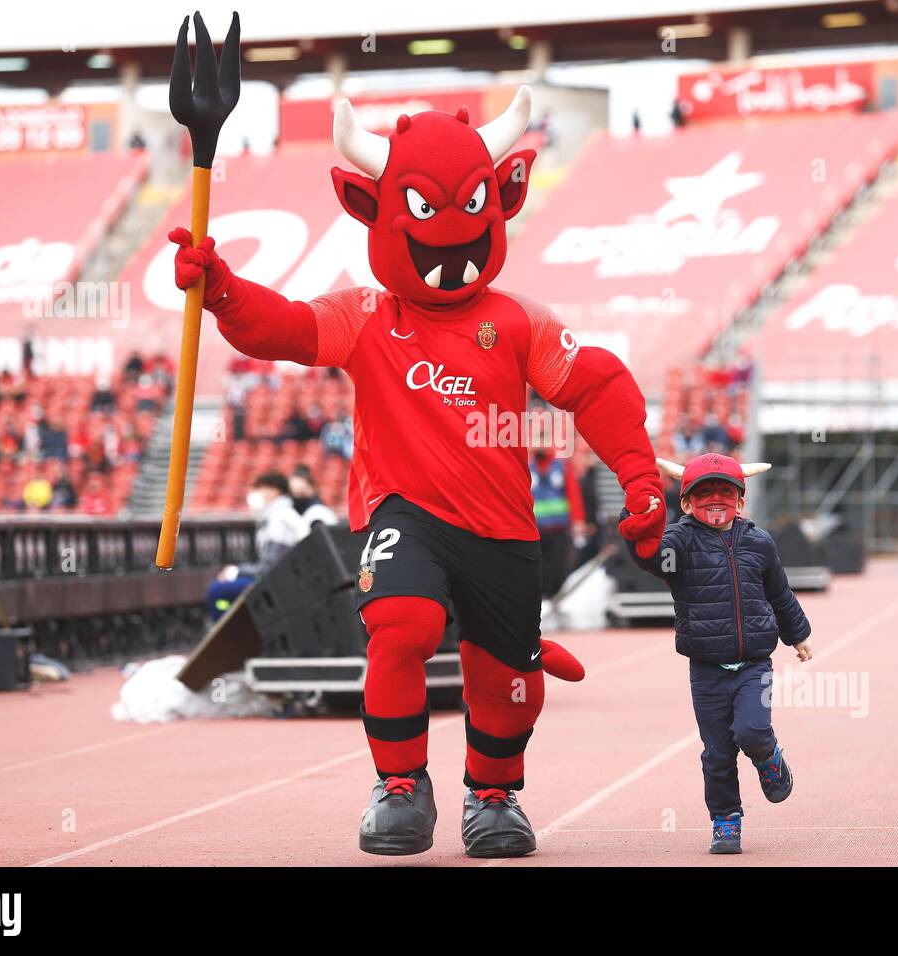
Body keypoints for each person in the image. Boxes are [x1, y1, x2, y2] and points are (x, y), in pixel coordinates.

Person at [169, 87, 664, 858]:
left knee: (509, 683)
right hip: (402, 514)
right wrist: (223, 289)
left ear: (503, 199)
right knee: (402, 626)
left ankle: (493, 798)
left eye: (471, 209)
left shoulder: (519, 320)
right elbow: (287, 329)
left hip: (502, 528)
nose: (449, 239)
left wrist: (639, 477)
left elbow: (594, 386)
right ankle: (399, 784)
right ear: (371, 209)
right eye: (425, 215)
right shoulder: (365, 315)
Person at [625, 453, 812, 855]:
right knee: (718, 753)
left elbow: (780, 594)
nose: (715, 499)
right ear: (687, 503)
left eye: (725, 491)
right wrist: (636, 517)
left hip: (753, 663)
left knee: (751, 731)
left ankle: (769, 759)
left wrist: (798, 634)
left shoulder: (759, 543)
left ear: (741, 501)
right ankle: (726, 820)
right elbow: (652, 559)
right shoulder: (680, 541)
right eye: (703, 492)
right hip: (707, 667)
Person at [206, 472, 311, 620]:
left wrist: (236, 572)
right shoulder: (274, 517)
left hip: (283, 583)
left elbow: (271, 567)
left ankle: (228, 632)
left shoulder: (281, 519)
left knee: (217, 591)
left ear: (275, 491)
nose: (255, 494)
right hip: (279, 580)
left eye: (259, 488)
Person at [529, 445, 585, 598]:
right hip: (535, 529)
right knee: (537, 567)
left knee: (558, 565)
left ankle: (553, 597)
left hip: (559, 528)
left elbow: (573, 494)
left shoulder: (561, 467)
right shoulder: (528, 467)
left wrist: (577, 521)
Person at [289, 464, 339, 528]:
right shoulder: (291, 510)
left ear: (313, 487)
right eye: (294, 492)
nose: (297, 496)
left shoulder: (318, 511)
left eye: (302, 491)